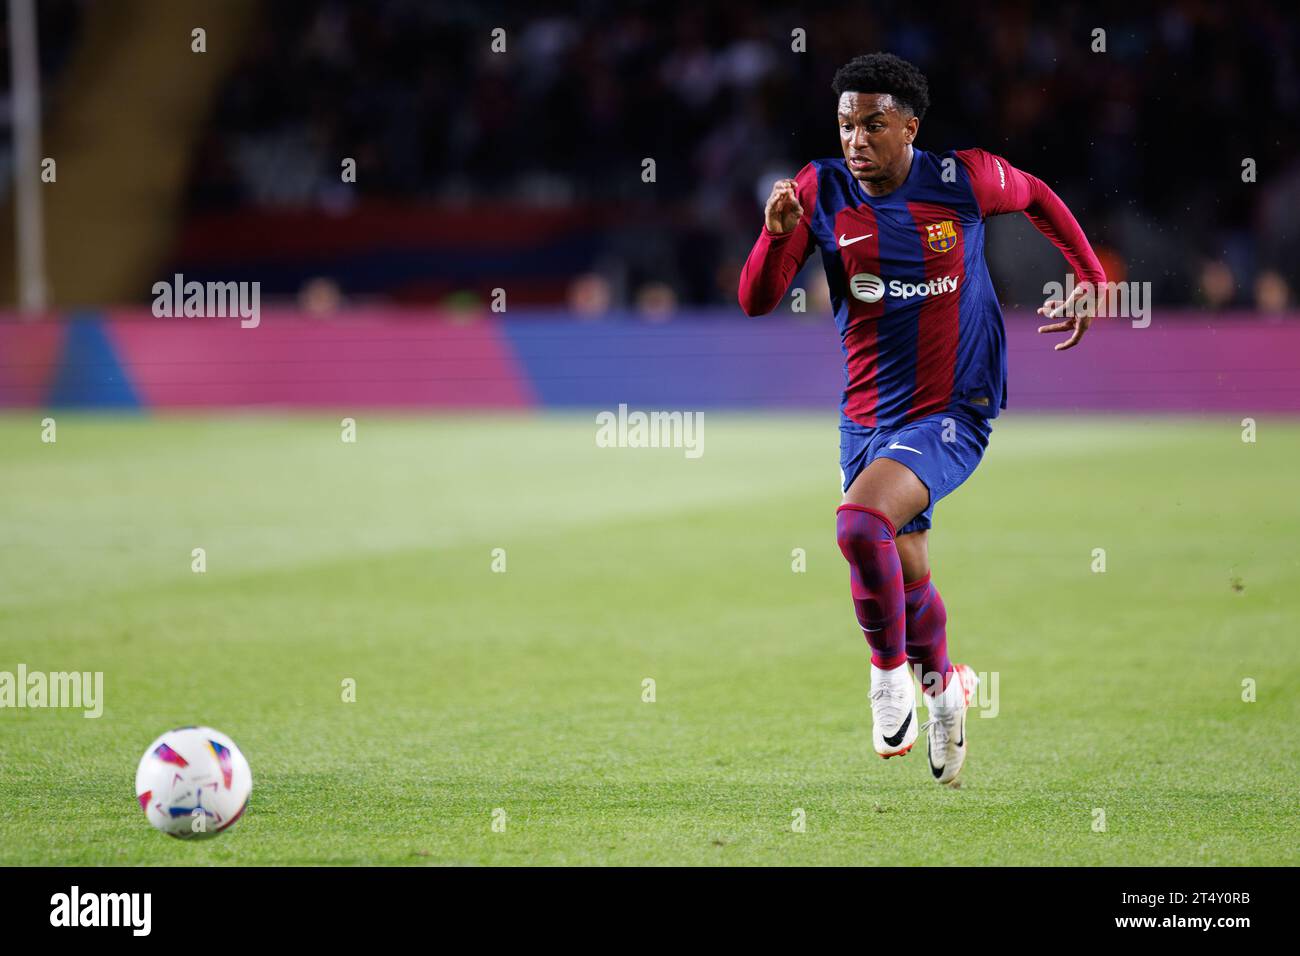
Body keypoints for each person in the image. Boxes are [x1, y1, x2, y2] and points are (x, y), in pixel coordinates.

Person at [738, 52, 1105, 785]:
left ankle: (887, 679)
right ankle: (946, 693)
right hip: (868, 415)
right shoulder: (820, 191)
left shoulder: (961, 180)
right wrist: (778, 234)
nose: (856, 140)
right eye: (846, 125)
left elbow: (1036, 195)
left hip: (952, 407)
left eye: (874, 124)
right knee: (906, 573)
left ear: (910, 126)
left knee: (856, 524)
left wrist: (1089, 275)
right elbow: (755, 300)